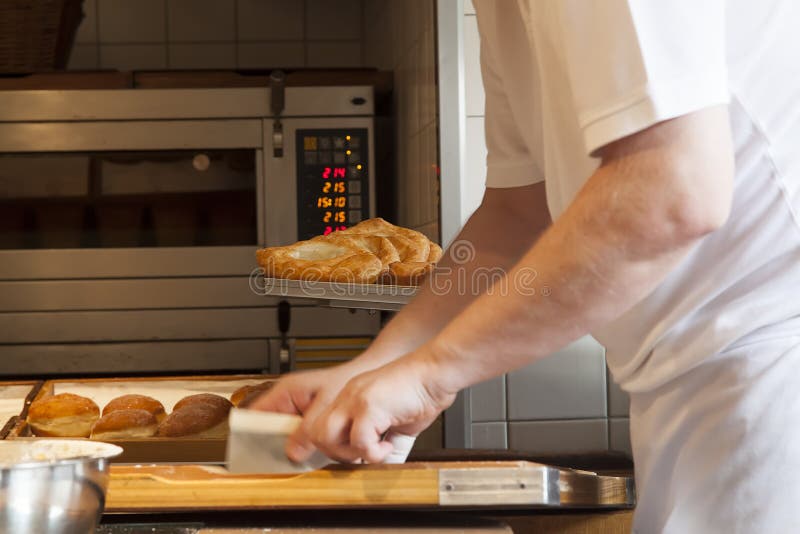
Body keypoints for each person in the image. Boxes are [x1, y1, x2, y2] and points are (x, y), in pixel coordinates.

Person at [253, 1, 800, 531]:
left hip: (769, 374)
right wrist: (379, 367)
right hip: (689, 388)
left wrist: (433, 373)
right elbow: (516, 218)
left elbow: (672, 191)